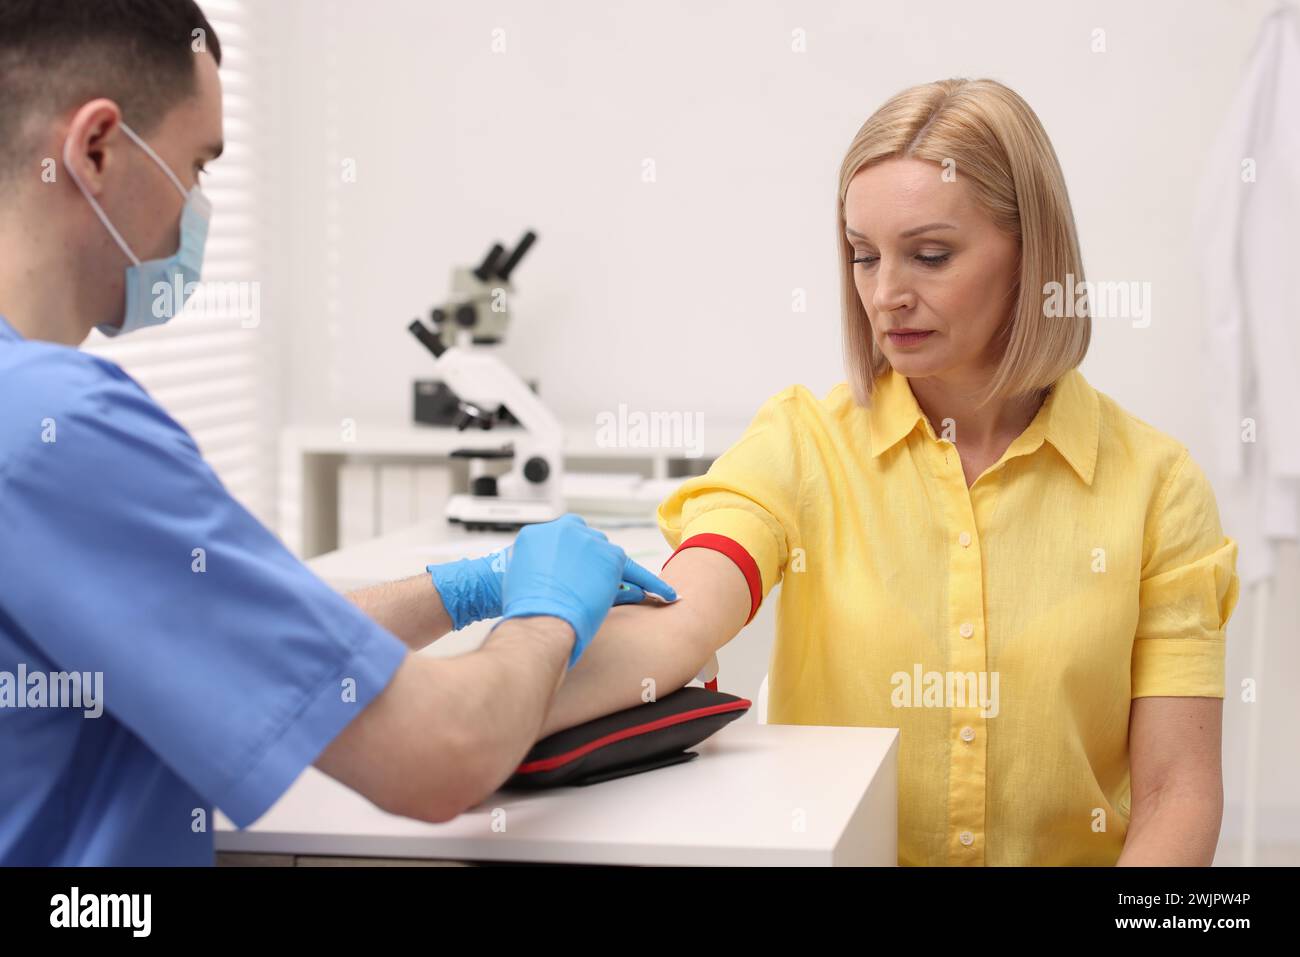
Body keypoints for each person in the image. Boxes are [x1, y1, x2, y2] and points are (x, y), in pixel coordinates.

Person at [0, 0, 675, 866]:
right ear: (96, 148)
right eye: (196, 164)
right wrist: (549, 616)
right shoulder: (62, 428)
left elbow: (244, 631)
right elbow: (443, 754)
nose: (195, 206)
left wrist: (471, 585)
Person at [533, 78, 1244, 866]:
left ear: (1031, 256)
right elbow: (681, 623)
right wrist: (492, 691)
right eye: (863, 257)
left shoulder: (1157, 486)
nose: (885, 295)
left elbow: (1178, 792)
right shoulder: (801, 445)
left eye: (930, 255)